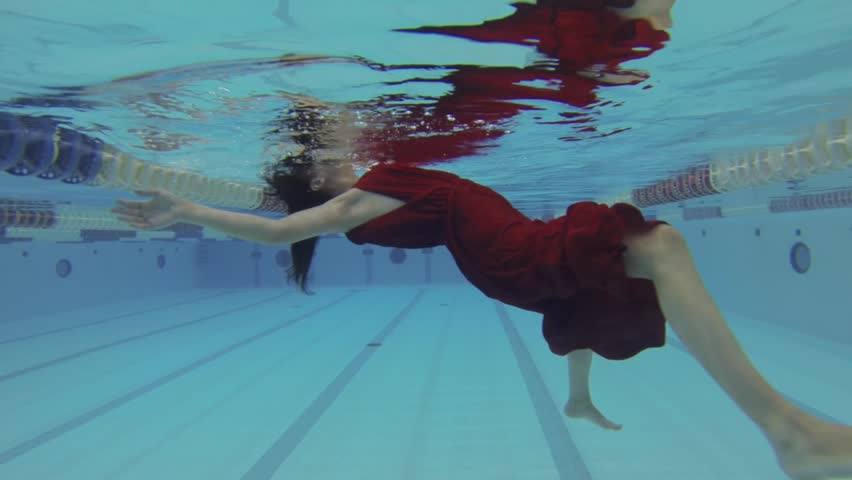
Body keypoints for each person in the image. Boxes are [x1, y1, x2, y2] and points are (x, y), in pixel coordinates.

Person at [113, 156, 852, 479]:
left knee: (627, 270)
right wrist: (186, 208)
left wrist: (580, 392)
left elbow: (572, 290)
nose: (352, 148)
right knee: (660, 247)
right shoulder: (357, 198)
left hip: (511, 253)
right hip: (510, 252)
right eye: (335, 150)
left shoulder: (374, 186)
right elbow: (281, 231)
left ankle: (585, 395)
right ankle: (787, 431)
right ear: (320, 174)